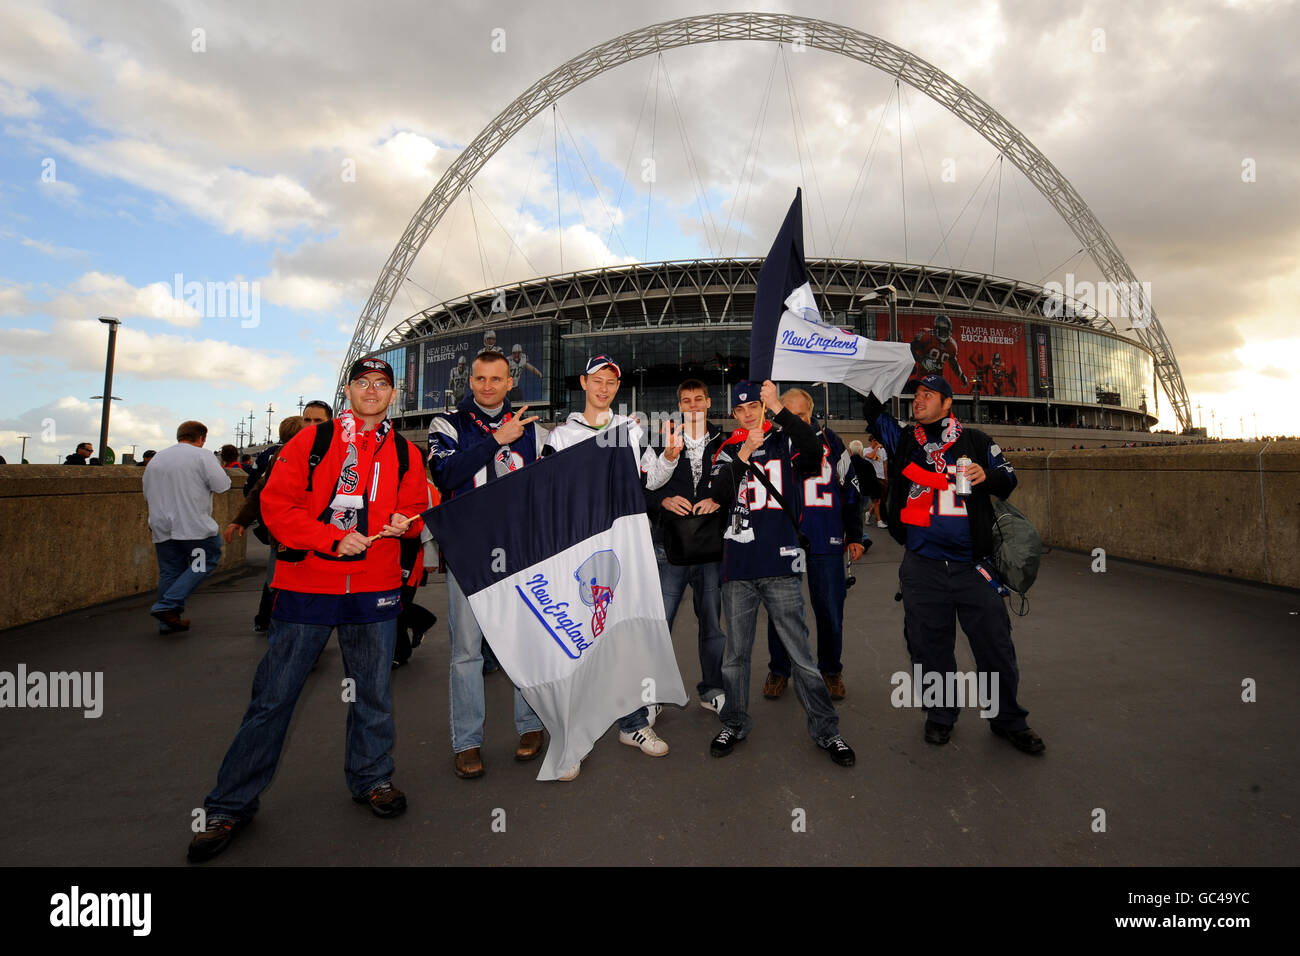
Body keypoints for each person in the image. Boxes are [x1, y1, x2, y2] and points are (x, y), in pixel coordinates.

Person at [188, 358, 427, 864]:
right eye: (363, 383)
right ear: (348, 390)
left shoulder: (406, 451)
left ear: (393, 394)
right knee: (274, 697)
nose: (372, 391)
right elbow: (278, 506)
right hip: (308, 585)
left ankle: (372, 778)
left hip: (374, 587)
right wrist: (331, 539)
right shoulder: (313, 442)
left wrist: (407, 520)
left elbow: (417, 507)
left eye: (381, 385)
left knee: (374, 692)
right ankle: (229, 804)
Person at [865, 373, 1045, 756]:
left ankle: (1008, 719)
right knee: (929, 647)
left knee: (994, 646)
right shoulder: (903, 441)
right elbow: (873, 412)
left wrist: (986, 474)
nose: (919, 400)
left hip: (972, 566)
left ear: (948, 402)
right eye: (917, 395)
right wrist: (878, 374)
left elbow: (1008, 479)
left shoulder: (975, 440)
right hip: (923, 565)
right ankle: (941, 716)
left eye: (928, 395)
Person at [706, 380, 856, 768]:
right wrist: (744, 452)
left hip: (781, 562)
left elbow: (813, 448)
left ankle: (827, 730)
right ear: (734, 415)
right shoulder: (726, 448)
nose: (749, 413)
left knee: (801, 654)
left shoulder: (785, 439)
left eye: (755, 406)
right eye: (741, 410)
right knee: (735, 656)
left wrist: (781, 410)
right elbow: (720, 492)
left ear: (763, 406)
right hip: (738, 567)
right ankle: (735, 721)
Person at [541, 355, 674, 773]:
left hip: (624, 547)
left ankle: (632, 723)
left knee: (626, 635)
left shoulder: (630, 430)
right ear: (584, 382)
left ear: (618, 387)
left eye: (611, 382)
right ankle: (571, 736)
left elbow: (649, 480)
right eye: (597, 380)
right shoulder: (561, 435)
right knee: (577, 640)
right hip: (579, 550)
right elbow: (547, 490)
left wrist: (668, 456)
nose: (603, 388)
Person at [427, 349, 547, 780]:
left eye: (497, 379)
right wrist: (496, 439)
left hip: (519, 552)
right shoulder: (448, 423)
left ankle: (531, 725)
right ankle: (468, 741)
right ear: (470, 381)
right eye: (480, 379)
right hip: (469, 550)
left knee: (523, 642)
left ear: (510, 382)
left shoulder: (534, 428)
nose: (488, 387)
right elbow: (445, 475)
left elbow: (550, 486)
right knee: (466, 651)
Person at [762, 388, 864, 702]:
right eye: (788, 414)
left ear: (812, 412)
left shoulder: (832, 442)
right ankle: (779, 670)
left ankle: (831, 670)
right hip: (786, 538)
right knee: (781, 611)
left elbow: (851, 491)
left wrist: (856, 535)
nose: (797, 421)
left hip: (826, 534)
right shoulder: (772, 443)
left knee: (830, 610)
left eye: (801, 415)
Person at [644, 379, 727, 714]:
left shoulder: (726, 443)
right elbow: (642, 488)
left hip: (710, 548)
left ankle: (713, 689)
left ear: (708, 403)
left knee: (712, 624)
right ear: (680, 406)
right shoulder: (660, 440)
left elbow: (740, 483)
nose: (693, 405)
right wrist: (663, 499)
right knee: (660, 624)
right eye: (686, 400)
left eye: (698, 399)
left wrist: (718, 499)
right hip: (670, 548)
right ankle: (652, 696)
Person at [141, 421, 231, 633]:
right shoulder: (202, 455)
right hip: (194, 527)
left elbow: (146, 493)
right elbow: (222, 485)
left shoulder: (156, 460)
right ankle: (167, 605)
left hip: (161, 526)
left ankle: (168, 621)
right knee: (205, 561)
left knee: (170, 571)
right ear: (201, 438)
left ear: (179, 436)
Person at [225, 416, 307, 632]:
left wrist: (243, 519)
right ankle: (280, 625)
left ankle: (267, 620)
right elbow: (261, 488)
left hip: (283, 530)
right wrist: (242, 519)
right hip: (287, 530)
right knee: (281, 581)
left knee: (276, 580)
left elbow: (253, 487)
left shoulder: (269, 454)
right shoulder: (283, 456)